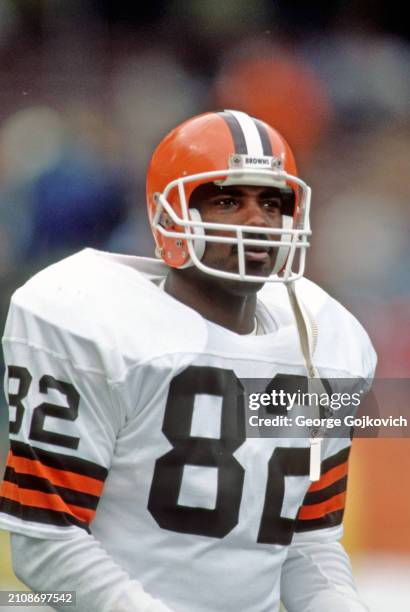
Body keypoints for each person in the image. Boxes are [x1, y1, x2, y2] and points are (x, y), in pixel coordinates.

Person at [0, 110, 376, 611]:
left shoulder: (326, 342)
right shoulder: (90, 321)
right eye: (226, 200)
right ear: (169, 215)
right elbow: (45, 545)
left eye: (272, 201)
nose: (257, 220)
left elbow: (307, 546)